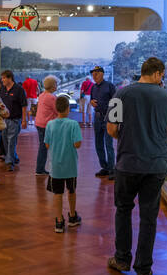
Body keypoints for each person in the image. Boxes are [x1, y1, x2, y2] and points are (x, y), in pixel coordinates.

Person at [106, 56, 167, 275]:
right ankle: (144, 269)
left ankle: (121, 259)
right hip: (155, 164)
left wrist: (128, 138)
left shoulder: (121, 94)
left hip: (127, 163)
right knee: (149, 217)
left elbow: (111, 129)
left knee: (123, 211)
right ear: (158, 73)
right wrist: (160, 136)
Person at [44, 94, 82, 233]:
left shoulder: (50, 124)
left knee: (57, 193)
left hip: (55, 166)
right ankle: (72, 216)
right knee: (71, 191)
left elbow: (47, 144)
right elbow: (77, 144)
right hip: (70, 166)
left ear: (56, 109)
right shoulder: (73, 124)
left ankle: (59, 221)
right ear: (67, 109)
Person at [88, 66, 117, 177]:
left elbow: (116, 102)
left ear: (102, 74)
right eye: (93, 74)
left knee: (108, 144)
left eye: (96, 73)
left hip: (108, 118)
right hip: (97, 118)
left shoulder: (109, 86)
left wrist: (114, 120)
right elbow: (91, 100)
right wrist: (91, 102)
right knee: (98, 143)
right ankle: (104, 167)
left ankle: (112, 168)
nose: (94, 75)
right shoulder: (93, 87)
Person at [0, 69, 27, 171]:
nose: (2, 80)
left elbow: (24, 105)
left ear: (10, 78)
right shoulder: (2, 90)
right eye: (2, 78)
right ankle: (14, 157)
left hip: (14, 120)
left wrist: (24, 120)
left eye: (4, 78)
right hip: (3, 120)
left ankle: (9, 162)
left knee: (11, 141)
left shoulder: (19, 89)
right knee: (5, 141)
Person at [33, 75, 59, 175]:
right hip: (46, 125)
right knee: (45, 147)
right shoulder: (52, 97)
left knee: (42, 146)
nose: (57, 86)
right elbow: (57, 111)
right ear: (53, 86)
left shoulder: (42, 95)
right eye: (56, 84)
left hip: (39, 123)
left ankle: (40, 168)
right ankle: (40, 169)